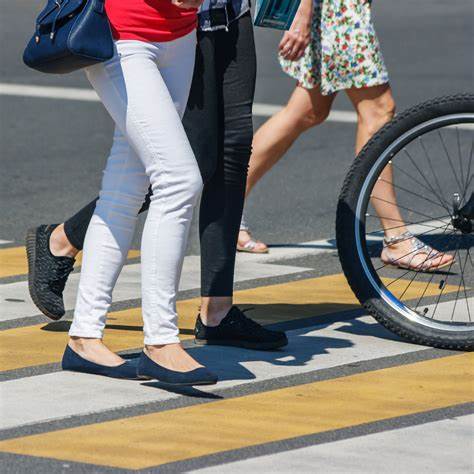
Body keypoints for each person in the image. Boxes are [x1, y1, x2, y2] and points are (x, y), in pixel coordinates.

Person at [26, 0, 288, 373]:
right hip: (125, 35)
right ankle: (161, 341)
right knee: (179, 180)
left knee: (125, 185)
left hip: (180, 36)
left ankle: (85, 337)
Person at [237, 0, 454, 271]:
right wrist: (302, 13)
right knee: (378, 110)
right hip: (338, 10)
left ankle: (227, 211)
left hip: (335, 10)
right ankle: (396, 238)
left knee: (308, 110)